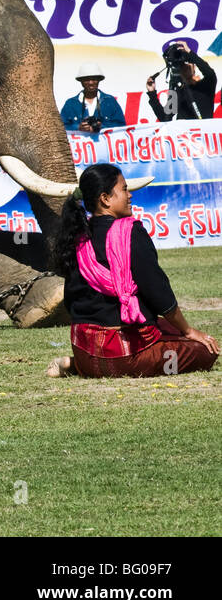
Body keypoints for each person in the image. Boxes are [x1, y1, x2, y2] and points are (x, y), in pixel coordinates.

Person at [47, 163, 218, 379]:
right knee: (205, 350)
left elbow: (72, 303)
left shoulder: (78, 238)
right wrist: (189, 331)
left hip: (84, 350)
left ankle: (77, 365)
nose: (130, 196)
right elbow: (158, 293)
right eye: (124, 189)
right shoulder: (131, 232)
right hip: (123, 357)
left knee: (165, 326)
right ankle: (92, 366)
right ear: (105, 199)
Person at [146, 39, 217, 122]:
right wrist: (152, 93)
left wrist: (190, 53)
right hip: (183, 134)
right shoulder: (179, 90)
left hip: (202, 132)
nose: (184, 66)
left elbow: (210, 73)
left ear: (194, 67)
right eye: (182, 65)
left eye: (187, 63)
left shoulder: (205, 85)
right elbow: (164, 119)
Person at [60, 64, 126, 133]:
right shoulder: (70, 104)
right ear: (81, 81)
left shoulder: (110, 101)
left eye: (94, 79)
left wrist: (102, 127)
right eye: (86, 79)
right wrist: (78, 127)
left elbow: (121, 126)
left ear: (99, 80)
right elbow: (61, 127)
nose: (91, 82)